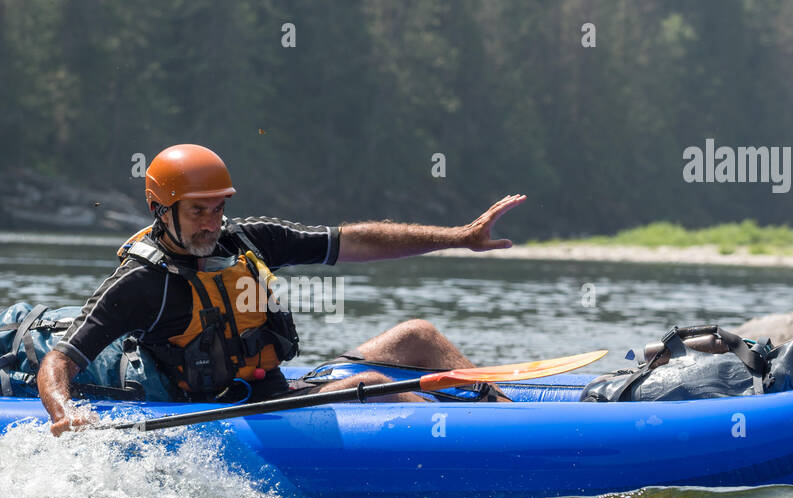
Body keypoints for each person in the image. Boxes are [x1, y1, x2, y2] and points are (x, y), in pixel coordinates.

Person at [38, 143, 526, 435]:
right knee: (375, 386)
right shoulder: (142, 282)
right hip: (231, 415)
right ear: (161, 211)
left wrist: (459, 238)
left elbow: (355, 242)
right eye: (198, 211)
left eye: (218, 208)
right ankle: (482, 443)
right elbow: (60, 360)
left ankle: (514, 428)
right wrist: (64, 414)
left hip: (279, 389)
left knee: (416, 335)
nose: (212, 223)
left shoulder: (248, 240)